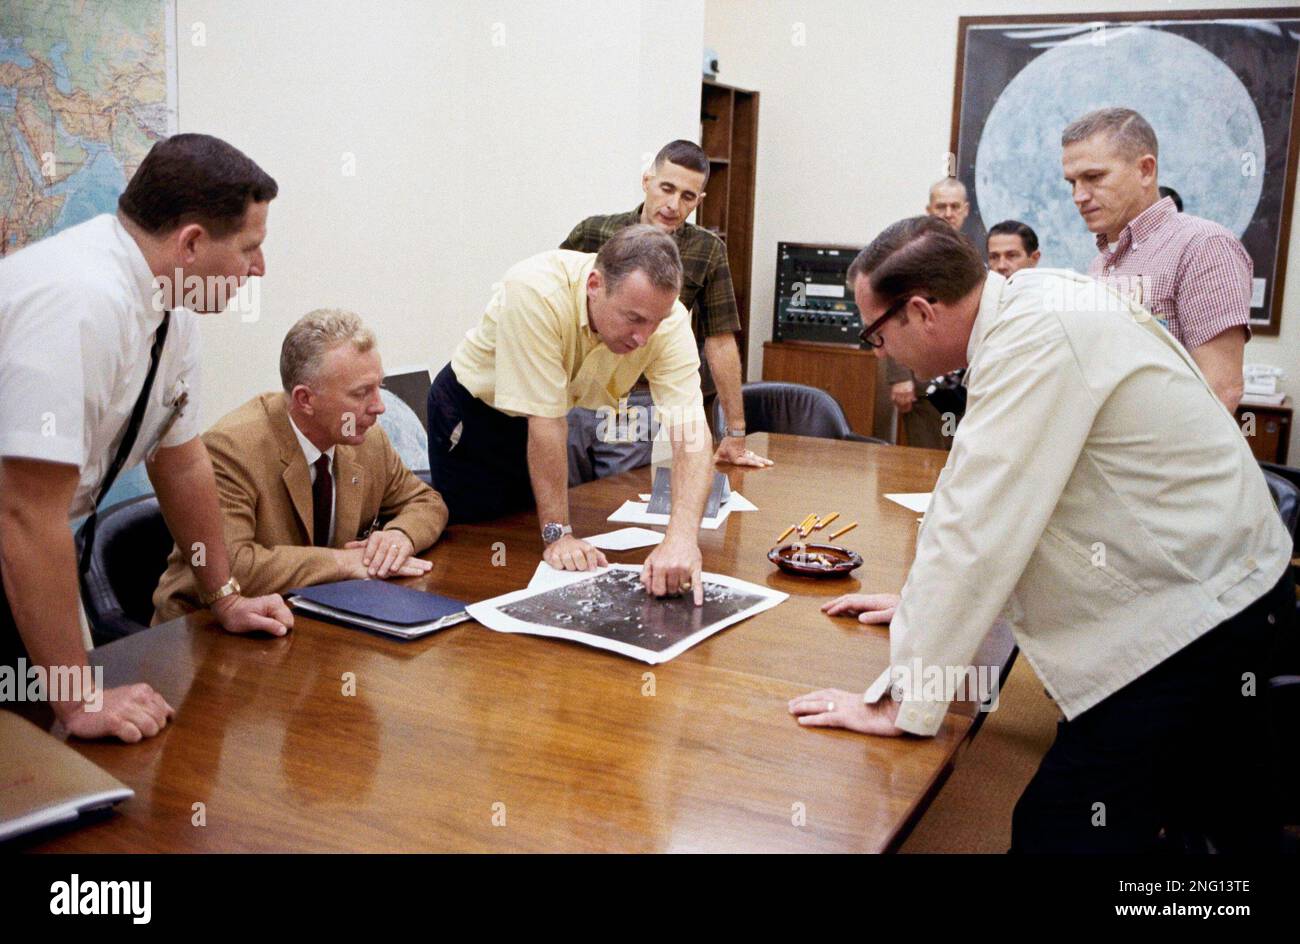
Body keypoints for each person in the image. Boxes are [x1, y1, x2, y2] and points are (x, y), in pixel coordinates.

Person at [788, 215, 1293, 853]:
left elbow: (975, 529)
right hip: (1222, 585)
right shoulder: (1031, 304)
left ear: (920, 311)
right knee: (1204, 820)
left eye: (875, 334)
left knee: (1061, 832)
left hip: (1198, 615)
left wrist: (902, 702)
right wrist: (919, 603)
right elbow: (971, 490)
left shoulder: (1035, 338)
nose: (879, 352)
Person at [0, 133, 294, 743]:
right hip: (17, 541)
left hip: (19, 554)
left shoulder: (170, 312)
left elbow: (180, 465)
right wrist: (80, 700)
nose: (259, 268)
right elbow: (24, 516)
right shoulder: (78, 302)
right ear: (191, 243)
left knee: (44, 755)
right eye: (250, 248)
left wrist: (225, 597)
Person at [426, 224, 713, 600]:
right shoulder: (534, 291)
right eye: (634, 319)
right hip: (474, 415)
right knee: (480, 551)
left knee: (526, 544)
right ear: (595, 285)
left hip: (542, 421)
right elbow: (546, 423)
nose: (644, 337)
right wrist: (558, 534)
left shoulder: (667, 320)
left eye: (655, 322)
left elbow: (691, 431)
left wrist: (682, 539)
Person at [152, 310, 448, 621]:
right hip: (204, 628)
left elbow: (426, 501)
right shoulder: (230, 450)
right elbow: (231, 566)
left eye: (379, 387)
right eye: (361, 393)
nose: (379, 406)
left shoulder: (367, 439)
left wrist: (399, 537)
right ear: (305, 399)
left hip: (310, 615)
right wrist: (345, 562)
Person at [560, 140, 771, 479]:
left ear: (699, 201)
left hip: (637, 398)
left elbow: (720, 341)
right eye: (667, 189)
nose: (673, 205)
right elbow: (560, 301)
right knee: (559, 489)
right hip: (575, 388)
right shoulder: (593, 232)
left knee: (616, 493)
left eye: (687, 197)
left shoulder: (707, 250)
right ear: (647, 182)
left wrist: (735, 431)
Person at [1063, 107, 1250, 411]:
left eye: (1093, 177)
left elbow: (1222, 389)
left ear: (1145, 170)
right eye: (1072, 183)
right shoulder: (1100, 264)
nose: (1079, 196)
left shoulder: (1204, 246)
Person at [882, 176, 970, 448]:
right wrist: (899, 378)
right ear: (929, 210)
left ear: (965, 210)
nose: (948, 213)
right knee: (923, 464)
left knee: (962, 463)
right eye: (941, 206)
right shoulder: (908, 256)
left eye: (955, 206)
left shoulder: (973, 256)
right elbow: (891, 317)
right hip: (923, 390)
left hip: (966, 390)